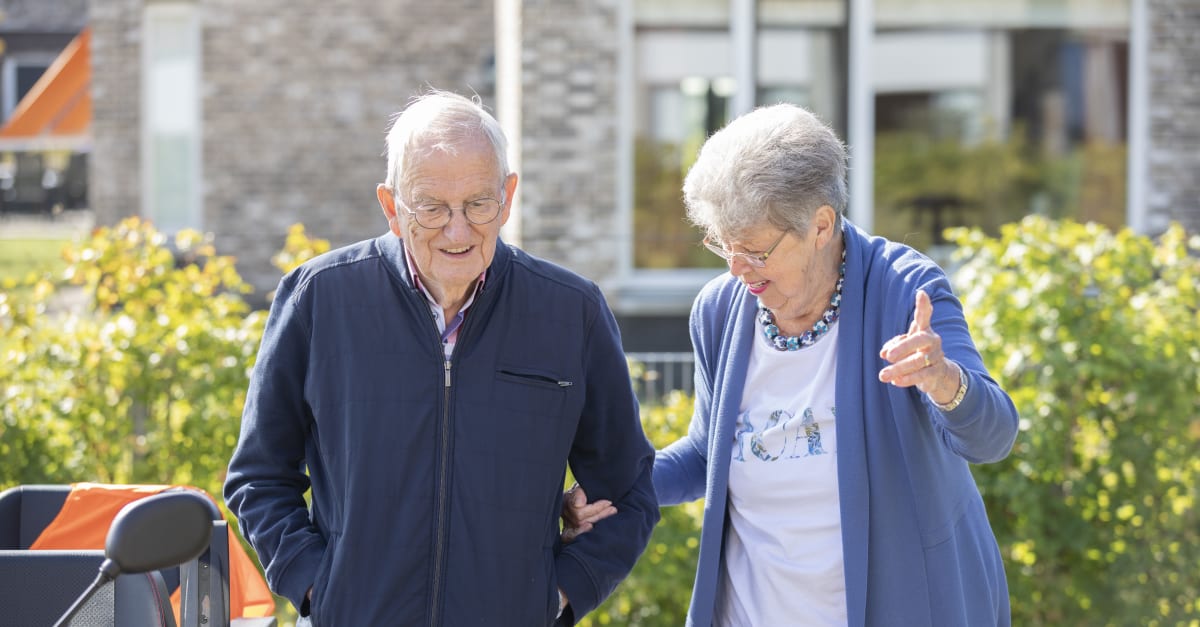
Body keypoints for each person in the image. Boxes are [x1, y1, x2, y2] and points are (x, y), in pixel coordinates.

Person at [566, 103, 1019, 626]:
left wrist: (944, 381)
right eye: (723, 247)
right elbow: (705, 456)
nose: (738, 271)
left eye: (755, 251)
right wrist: (615, 488)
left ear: (821, 226)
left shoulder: (903, 290)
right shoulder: (720, 311)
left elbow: (993, 437)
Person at [224, 90, 659, 626]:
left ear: (509, 196)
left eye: (479, 204)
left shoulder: (571, 312)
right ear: (391, 207)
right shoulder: (319, 298)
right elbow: (259, 476)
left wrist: (560, 594)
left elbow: (630, 489)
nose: (458, 231)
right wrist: (319, 588)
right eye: (431, 208)